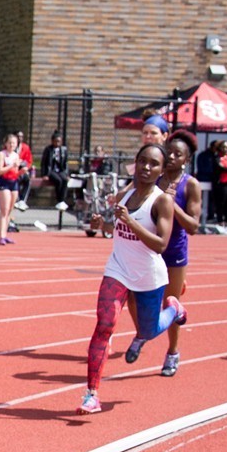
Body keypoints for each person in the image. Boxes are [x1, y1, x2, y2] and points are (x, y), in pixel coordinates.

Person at [80, 143, 185, 414]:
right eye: (143, 162)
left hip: (149, 276)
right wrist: (101, 226)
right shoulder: (125, 195)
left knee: (148, 331)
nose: (147, 168)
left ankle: (173, 309)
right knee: (105, 324)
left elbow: (161, 244)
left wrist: (131, 222)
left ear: (161, 170)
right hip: (118, 270)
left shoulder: (162, 201)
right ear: (135, 163)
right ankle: (91, 394)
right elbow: (116, 228)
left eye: (154, 164)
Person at [158, 130, 201, 377]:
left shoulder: (190, 185)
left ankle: (173, 351)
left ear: (186, 159)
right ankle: (143, 334)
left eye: (178, 154)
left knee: (170, 303)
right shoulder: (154, 178)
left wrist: (172, 205)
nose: (172, 157)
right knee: (134, 298)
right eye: (169, 152)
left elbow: (193, 226)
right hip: (151, 248)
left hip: (174, 251)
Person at [0, 133, 22, 244]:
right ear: (5, 143)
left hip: (13, 182)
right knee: (4, 209)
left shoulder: (16, 155)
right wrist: (11, 166)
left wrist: (20, 171)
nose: (11, 145)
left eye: (14, 143)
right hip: (3, 182)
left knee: (9, 210)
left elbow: (15, 172)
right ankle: (1, 236)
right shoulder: (1, 154)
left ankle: (5, 234)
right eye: (9, 143)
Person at [39, 130, 68, 230]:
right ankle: (59, 200)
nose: (57, 143)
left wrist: (66, 173)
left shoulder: (63, 150)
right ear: (52, 141)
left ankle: (62, 200)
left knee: (64, 180)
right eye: (56, 141)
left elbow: (65, 164)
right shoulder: (48, 149)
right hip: (51, 171)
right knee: (58, 181)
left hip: (60, 171)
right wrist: (44, 174)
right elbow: (44, 163)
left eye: (59, 141)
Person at [207, 140, 227, 226]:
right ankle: (220, 220)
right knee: (220, 203)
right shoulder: (217, 158)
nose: (225, 149)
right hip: (220, 183)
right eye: (223, 147)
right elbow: (219, 168)